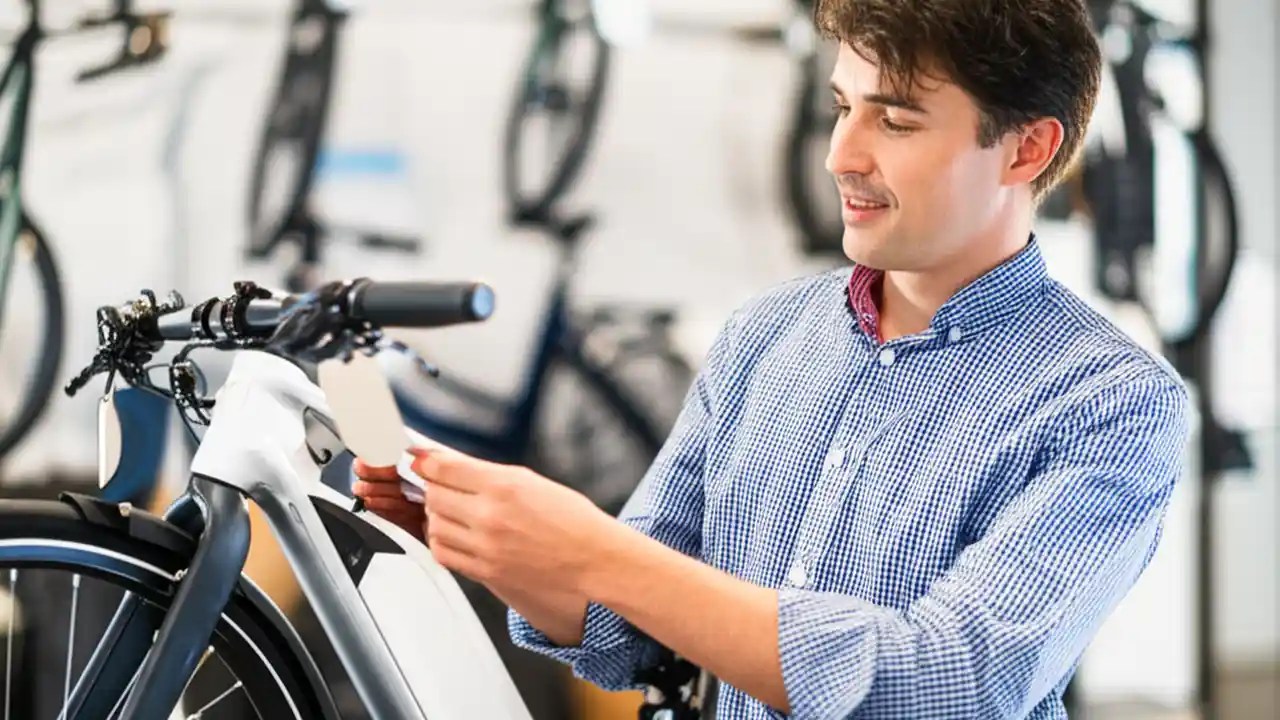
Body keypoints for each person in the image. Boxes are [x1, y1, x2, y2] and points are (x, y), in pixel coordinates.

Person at [354, 0, 1191, 717]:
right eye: (842, 107)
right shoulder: (765, 336)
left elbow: (950, 680)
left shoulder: (1111, 400)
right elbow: (634, 633)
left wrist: (597, 554)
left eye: (895, 120)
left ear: (1026, 150)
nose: (841, 155)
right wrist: (503, 547)